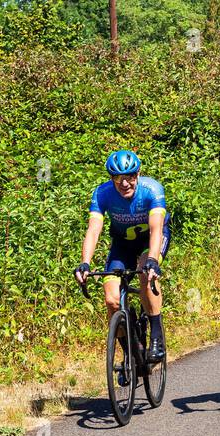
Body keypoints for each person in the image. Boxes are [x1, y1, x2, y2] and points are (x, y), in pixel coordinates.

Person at [75, 150, 170, 362]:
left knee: (146, 275)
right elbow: (93, 229)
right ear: (111, 178)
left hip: (151, 241)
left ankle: (156, 337)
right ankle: (130, 353)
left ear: (138, 175)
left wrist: (153, 261)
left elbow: (156, 229)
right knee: (112, 300)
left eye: (129, 177)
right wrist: (85, 263)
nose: (124, 183)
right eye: (117, 178)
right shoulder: (102, 193)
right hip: (122, 244)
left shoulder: (152, 190)